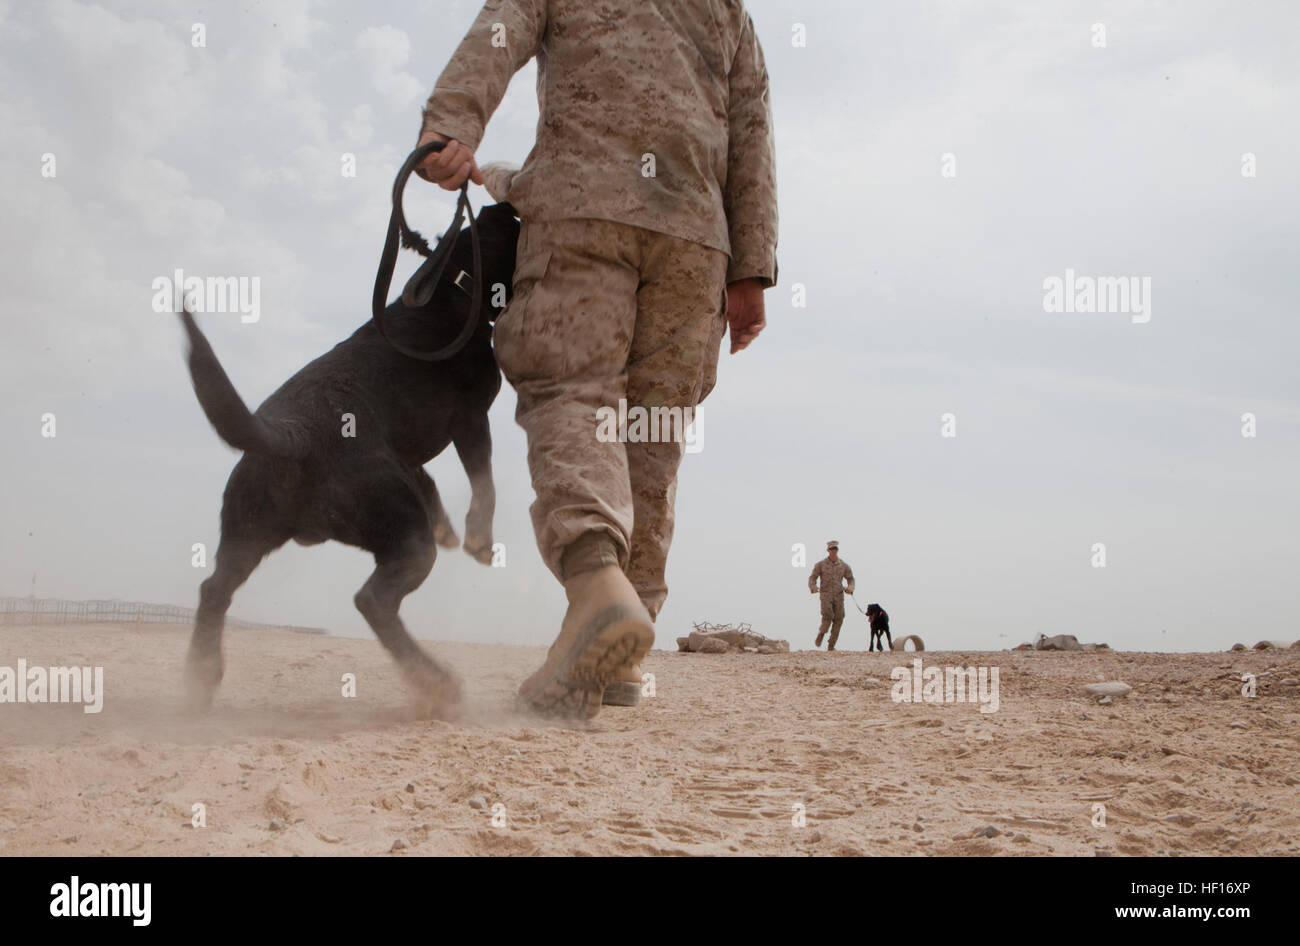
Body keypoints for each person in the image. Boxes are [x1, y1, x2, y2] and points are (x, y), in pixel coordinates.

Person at [415, 0, 778, 717]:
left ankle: (595, 585)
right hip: (696, 241)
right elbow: (754, 129)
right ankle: (623, 648)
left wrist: (451, 125)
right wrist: (751, 269)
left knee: (571, 391)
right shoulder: (728, 9)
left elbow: (501, 31)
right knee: (653, 433)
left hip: (586, 205)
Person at [808, 540, 854, 650]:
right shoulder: (820, 565)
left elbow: (851, 579)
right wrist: (813, 587)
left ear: (837, 550)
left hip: (838, 596)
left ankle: (831, 645)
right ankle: (822, 633)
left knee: (839, 619)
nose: (834, 551)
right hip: (825, 595)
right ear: (828, 550)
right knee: (827, 616)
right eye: (832, 549)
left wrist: (850, 588)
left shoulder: (843, 565)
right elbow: (812, 578)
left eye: (835, 549)